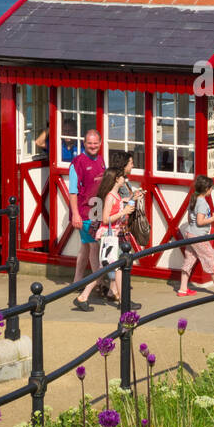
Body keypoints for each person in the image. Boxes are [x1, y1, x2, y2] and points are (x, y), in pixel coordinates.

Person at [70, 129, 107, 311]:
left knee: (85, 246)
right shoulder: (77, 163)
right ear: (84, 144)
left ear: (100, 143)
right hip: (84, 212)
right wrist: (75, 214)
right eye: (89, 143)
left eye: (96, 143)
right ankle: (97, 282)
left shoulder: (101, 159)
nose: (93, 146)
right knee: (94, 247)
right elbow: (73, 192)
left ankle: (77, 281)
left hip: (97, 210)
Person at [177, 175, 214, 296]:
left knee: (189, 259)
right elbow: (200, 221)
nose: (211, 190)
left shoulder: (193, 199)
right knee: (211, 258)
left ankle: (183, 289)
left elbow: (190, 219)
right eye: (211, 188)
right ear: (207, 189)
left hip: (190, 233)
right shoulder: (203, 203)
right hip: (198, 236)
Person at [94, 167, 133, 305]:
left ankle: (83, 296)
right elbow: (105, 219)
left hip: (114, 235)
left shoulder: (116, 196)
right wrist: (124, 212)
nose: (125, 179)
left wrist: (131, 199)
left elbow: (119, 205)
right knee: (117, 268)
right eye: (122, 177)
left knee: (103, 269)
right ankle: (124, 301)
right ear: (117, 179)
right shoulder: (110, 196)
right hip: (108, 235)